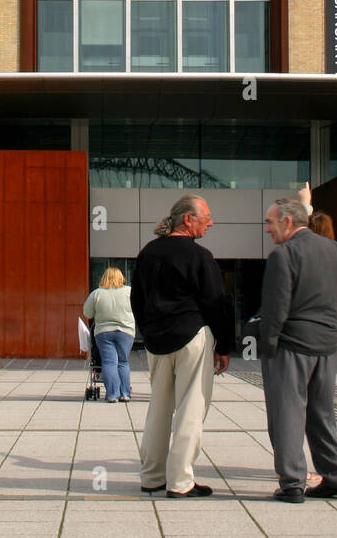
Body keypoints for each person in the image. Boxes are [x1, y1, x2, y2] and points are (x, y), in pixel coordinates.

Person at [130, 195, 233, 499]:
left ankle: (151, 476)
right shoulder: (199, 256)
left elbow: (137, 300)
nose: (210, 223)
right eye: (207, 217)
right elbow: (218, 303)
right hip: (192, 337)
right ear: (188, 219)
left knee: (158, 408)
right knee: (191, 408)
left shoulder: (147, 253)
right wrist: (224, 346)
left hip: (157, 342)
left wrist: (147, 332)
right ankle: (180, 480)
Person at [260, 198, 337, 503]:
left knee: (286, 413)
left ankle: (291, 482)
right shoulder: (336, 250)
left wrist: (268, 346)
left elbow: (276, 307)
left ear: (288, 222)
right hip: (326, 348)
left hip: (292, 346)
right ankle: (336, 476)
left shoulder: (283, 255)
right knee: (322, 414)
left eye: (270, 223)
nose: (267, 229)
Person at [83, 268, 135, 403]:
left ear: (104, 278)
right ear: (121, 278)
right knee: (123, 362)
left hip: (104, 332)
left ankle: (112, 395)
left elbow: (87, 313)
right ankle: (125, 394)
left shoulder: (97, 293)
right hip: (126, 332)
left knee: (109, 362)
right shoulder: (129, 292)